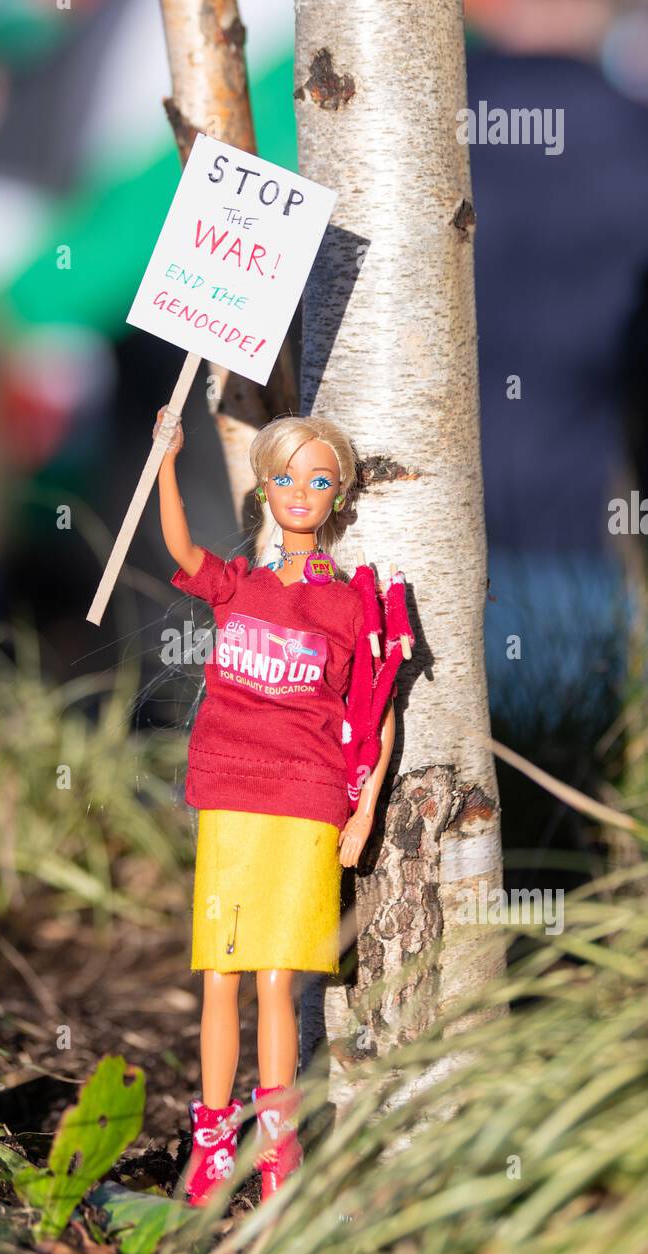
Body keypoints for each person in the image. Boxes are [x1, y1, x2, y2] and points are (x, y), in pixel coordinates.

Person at [156, 406, 413, 1205]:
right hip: (231, 797)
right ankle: (210, 1138)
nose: (299, 492)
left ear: (338, 497)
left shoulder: (350, 603)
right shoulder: (239, 586)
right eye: (284, 478)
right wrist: (166, 460)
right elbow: (182, 550)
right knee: (219, 974)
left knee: (275, 980)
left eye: (318, 480)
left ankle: (278, 1147)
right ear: (265, 489)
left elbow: (377, 708)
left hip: (307, 802)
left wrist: (365, 810)